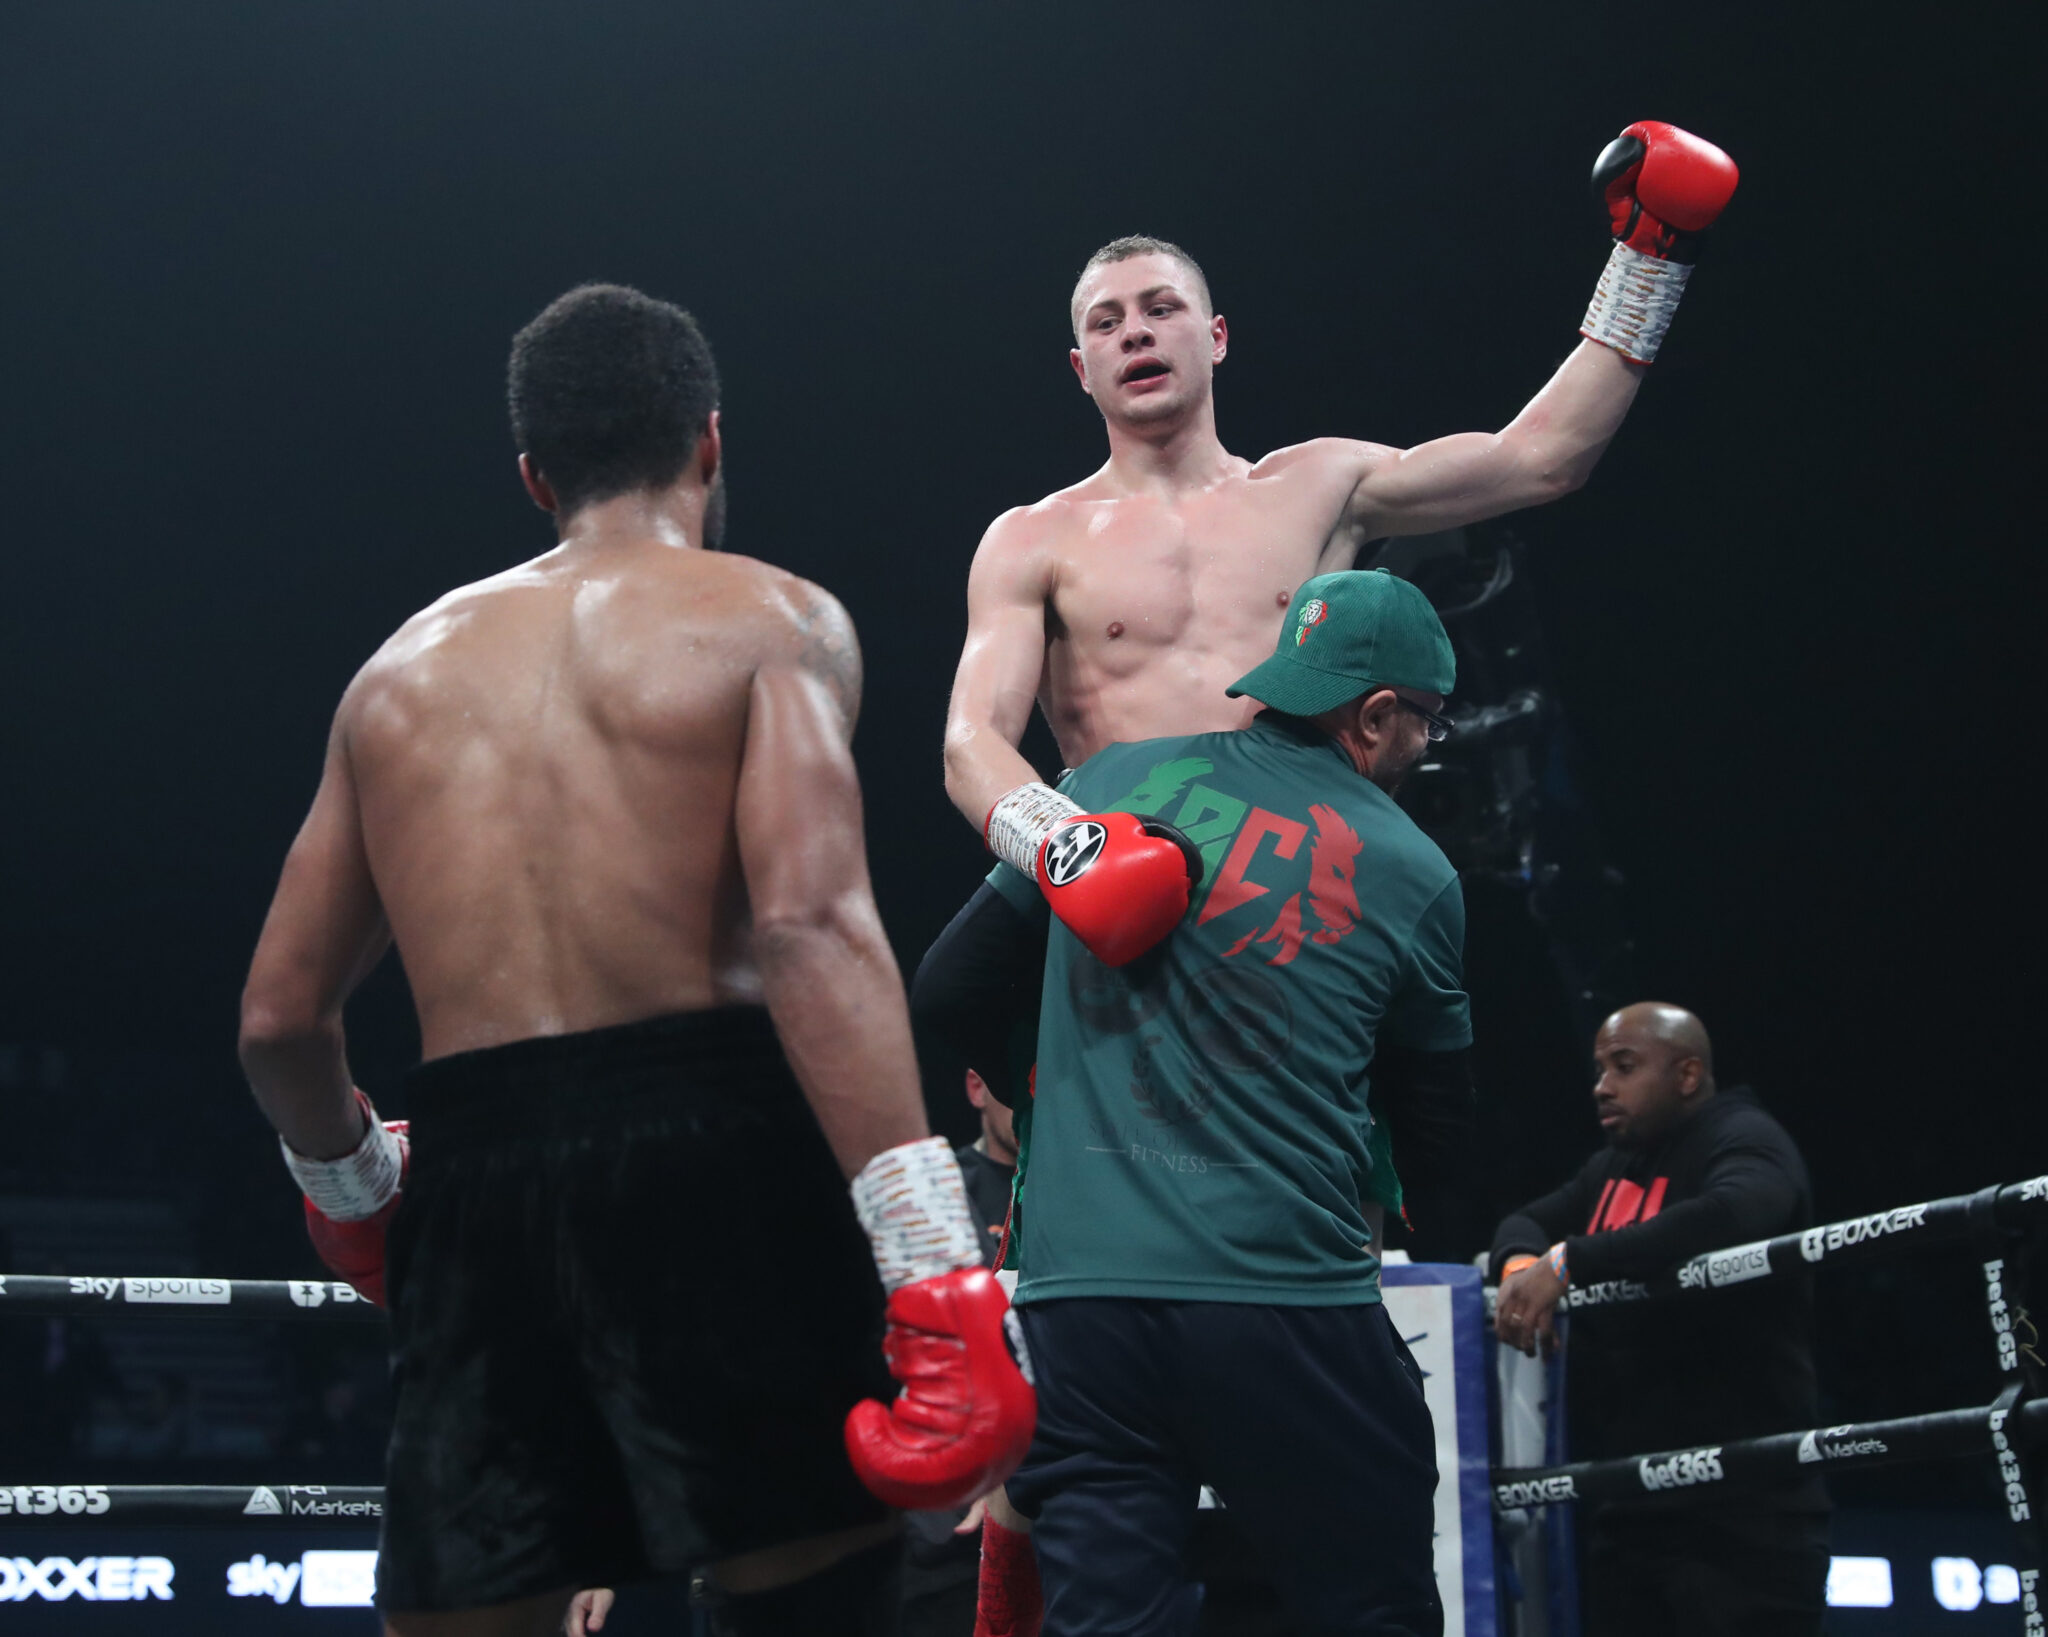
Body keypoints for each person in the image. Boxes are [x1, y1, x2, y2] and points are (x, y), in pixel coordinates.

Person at [237, 284, 1032, 1637]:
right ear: (710, 443)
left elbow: (278, 1019)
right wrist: (935, 1269)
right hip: (718, 1142)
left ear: (535, 474)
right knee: (806, 1605)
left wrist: (360, 1189)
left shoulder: (393, 681)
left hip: (479, 1176)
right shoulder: (770, 619)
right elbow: (810, 926)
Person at [922, 118, 1739, 1231]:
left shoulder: (1322, 484)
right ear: (1079, 367)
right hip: (1116, 872)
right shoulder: (1029, 538)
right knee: (972, 1017)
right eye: (1105, 322)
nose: (1134, 333)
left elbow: (1539, 459)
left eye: (1160, 308)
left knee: (1370, 1155)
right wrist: (1061, 843)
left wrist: (1649, 258)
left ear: (1214, 335)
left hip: (1293, 876)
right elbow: (971, 737)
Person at [985, 568, 1475, 1637]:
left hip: (1082, 1307)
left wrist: (1042, 1116)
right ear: (1378, 714)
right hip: (1280, 1293)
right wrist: (1446, 1236)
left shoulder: (1104, 777)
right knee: (1372, 1601)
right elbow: (1434, 1121)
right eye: (1425, 724)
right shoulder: (1413, 865)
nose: (1425, 749)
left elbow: (945, 986)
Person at [1489, 1003, 1827, 1637]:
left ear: (1688, 1075)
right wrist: (1520, 1268)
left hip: (1741, 1511)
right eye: (1598, 1069)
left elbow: (1735, 1211)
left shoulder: (1744, 1136)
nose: (1602, 1086)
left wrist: (1568, 1263)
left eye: (1624, 1066)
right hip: (1632, 1504)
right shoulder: (1614, 1166)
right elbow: (1525, 1221)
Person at [898, 1070, 1022, 1637]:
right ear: (976, 1088)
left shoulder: (1081, 1188)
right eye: (1014, 1082)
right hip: (957, 1502)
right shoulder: (940, 1196)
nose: (1031, 1098)